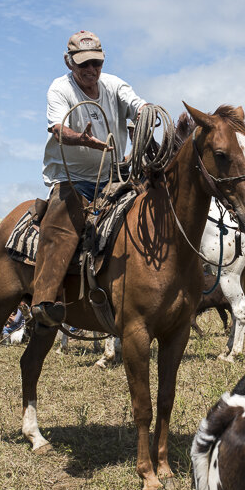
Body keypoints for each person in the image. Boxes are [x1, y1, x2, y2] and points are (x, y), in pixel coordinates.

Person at [32, 29, 148, 327]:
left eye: (96, 63)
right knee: (60, 227)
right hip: (72, 177)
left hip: (111, 177)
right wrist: (82, 139)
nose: (91, 70)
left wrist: (147, 112)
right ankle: (46, 300)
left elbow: (136, 104)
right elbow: (58, 129)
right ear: (69, 62)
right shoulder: (60, 89)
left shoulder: (113, 85)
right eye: (83, 64)